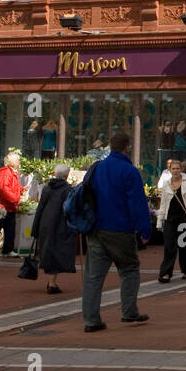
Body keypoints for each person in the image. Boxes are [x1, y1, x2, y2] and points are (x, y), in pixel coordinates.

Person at [81, 132, 153, 332]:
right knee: (129, 269)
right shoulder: (129, 171)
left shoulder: (97, 168)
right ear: (127, 147)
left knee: (93, 276)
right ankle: (129, 311)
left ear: (110, 147)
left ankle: (91, 319)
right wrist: (145, 230)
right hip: (120, 229)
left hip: (96, 228)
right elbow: (137, 204)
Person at [29, 163, 78, 294]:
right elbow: (70, 208)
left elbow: (40, 208)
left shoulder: (47, 188)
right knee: (58, 252)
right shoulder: (68, 190)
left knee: (49, 250)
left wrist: (35, 228)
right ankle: (52, 283)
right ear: (67, 175)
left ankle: (52, 282)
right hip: (61, 224)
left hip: (46, 223)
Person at [156, 157, 186, 283]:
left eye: (178, 168)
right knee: (169, 246)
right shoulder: (166, 184)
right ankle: (166, 273)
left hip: (183, 219)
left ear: (181, 169)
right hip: (170, 219)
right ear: (170, 170)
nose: (176, 171)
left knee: (184, 246)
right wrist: (159, 221)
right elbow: (163, 205)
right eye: (173, 169)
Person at [0, 151, 23, 257]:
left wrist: (21, 190)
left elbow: (10, 187)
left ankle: (8, 250)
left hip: (8, 206)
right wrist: (15, 198)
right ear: (13, 162)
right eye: (18, 160)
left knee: (10, 228)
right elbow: (3, 188)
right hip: (2, 205)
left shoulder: (12, 172)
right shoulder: (6, 172)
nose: (19, 162)